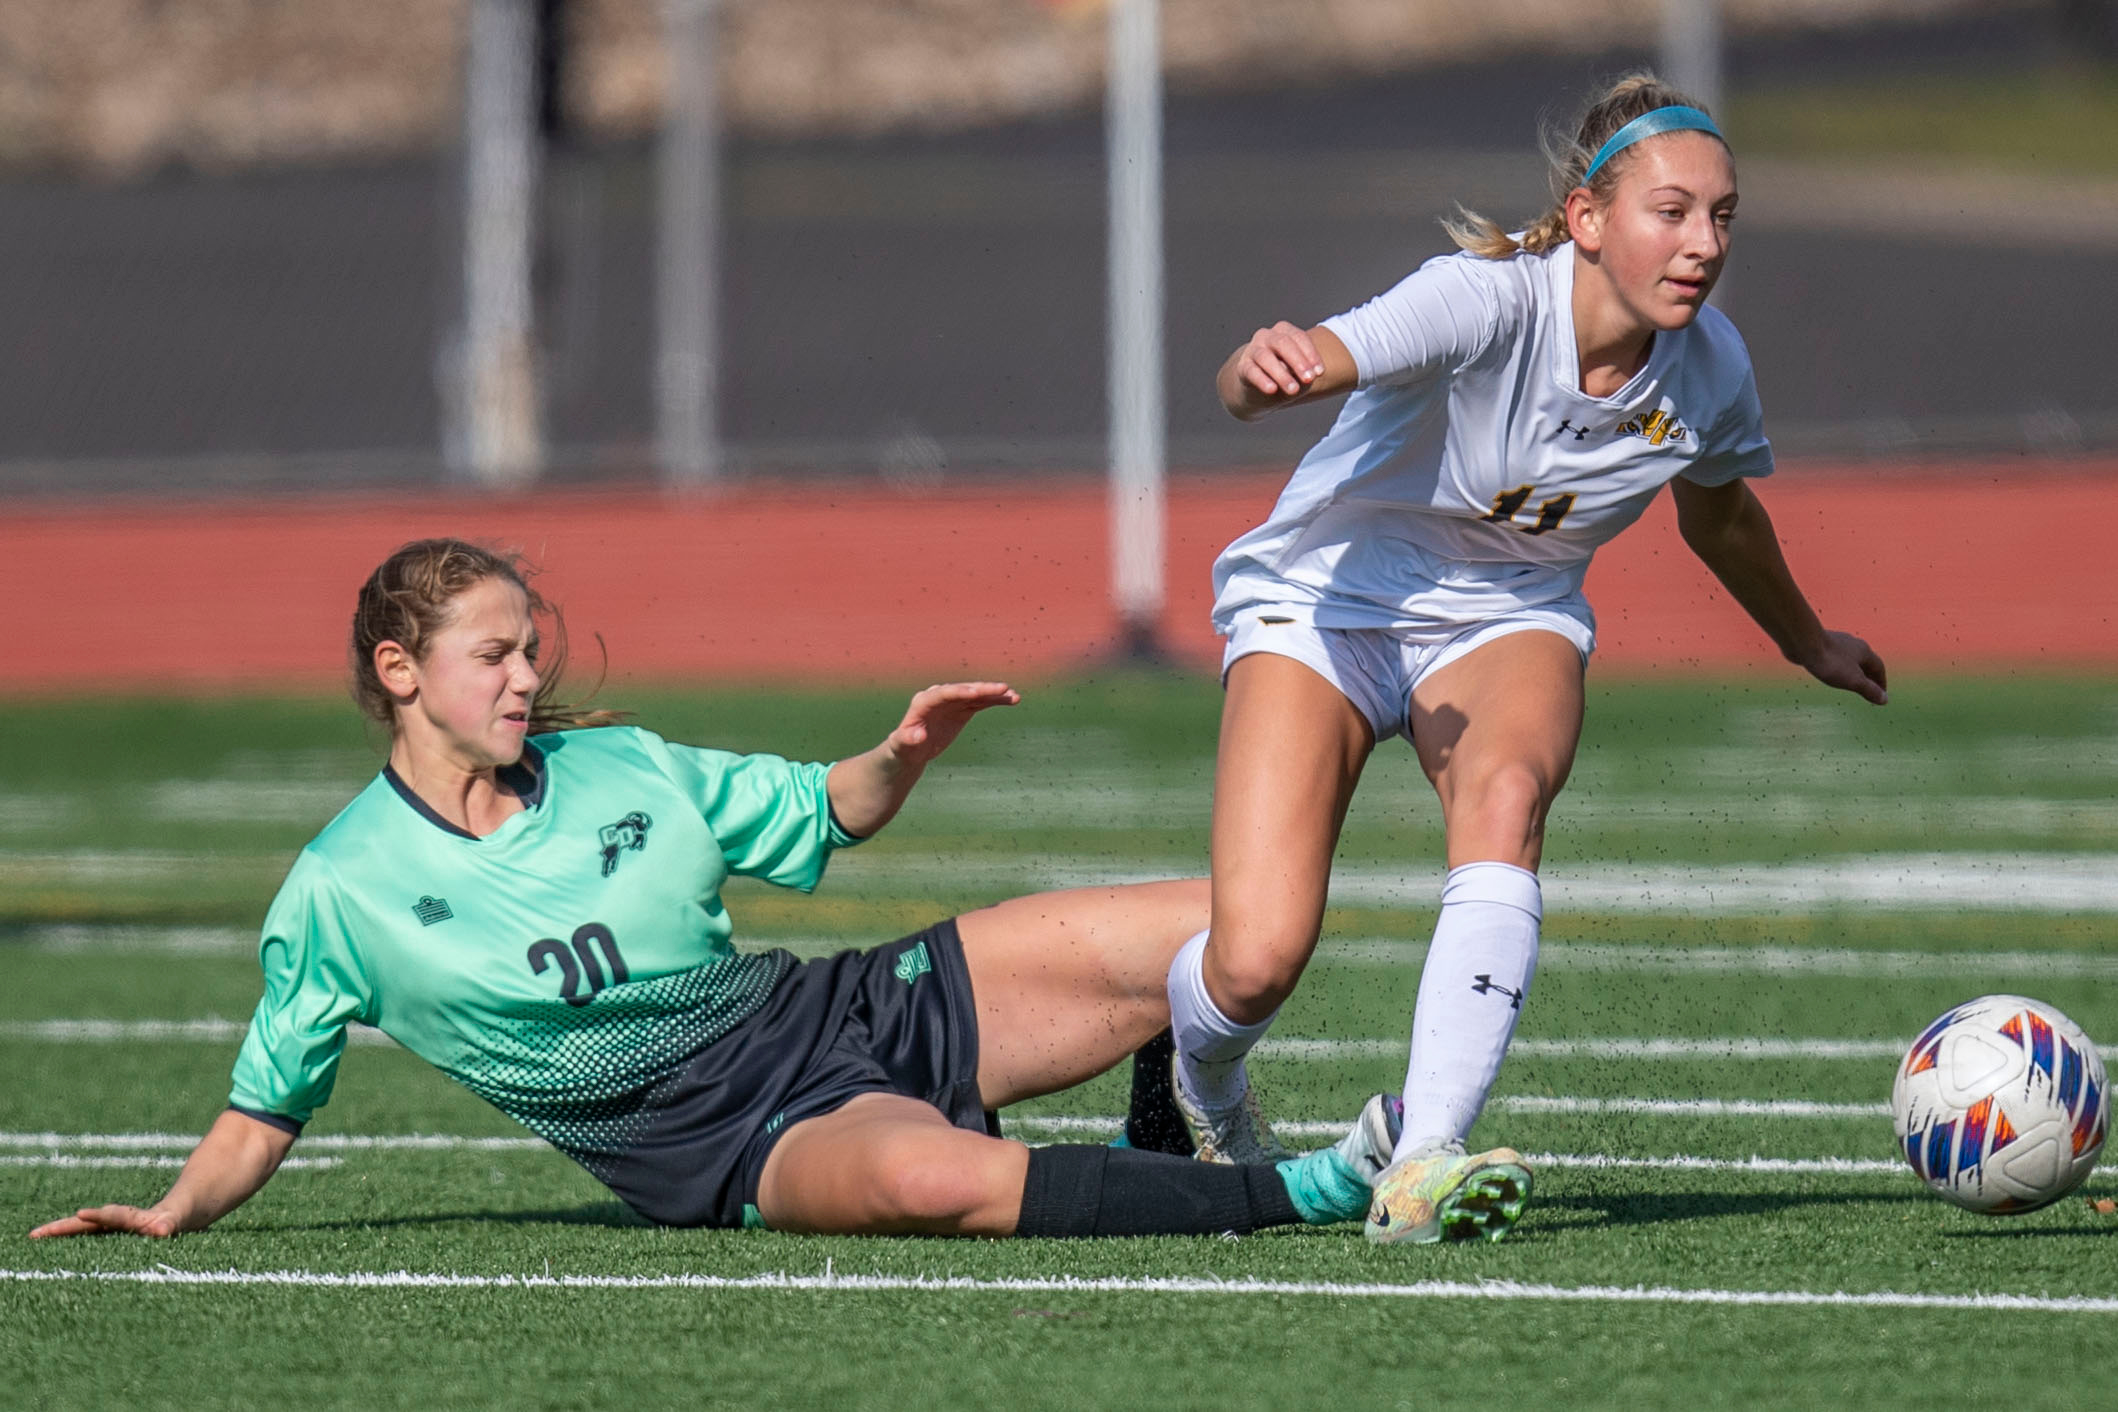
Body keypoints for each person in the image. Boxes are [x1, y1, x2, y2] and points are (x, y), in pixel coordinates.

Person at [31, 538, 1393, 1244]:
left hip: (861, 1008)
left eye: (528, 651)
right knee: (934, 1184)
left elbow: (818, 813)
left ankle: (1171, 1128)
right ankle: (1315, 1194)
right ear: (401, 673)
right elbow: (266, 1103)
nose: (522, 677)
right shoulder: (338, 891)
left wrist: (897, 757)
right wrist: (173, 1210)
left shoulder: (621, 763)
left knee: (1230, 927)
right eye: (491, 655)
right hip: (741, 1146)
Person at [1156, 74, 1889, 1245]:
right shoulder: (1481, 301)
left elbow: (1723, 517)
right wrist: (1265, 367)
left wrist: (1810, 642)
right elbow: (1288, 372)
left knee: (1507, 795)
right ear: (1588, 219)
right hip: (1327, 599)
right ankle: (1196, 1084)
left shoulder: (1709, 369)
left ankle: (1423, 1156)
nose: (1703, 244)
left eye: (1724, 217)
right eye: (1672, 211)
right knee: (1254, 961)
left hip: (1510, 614)